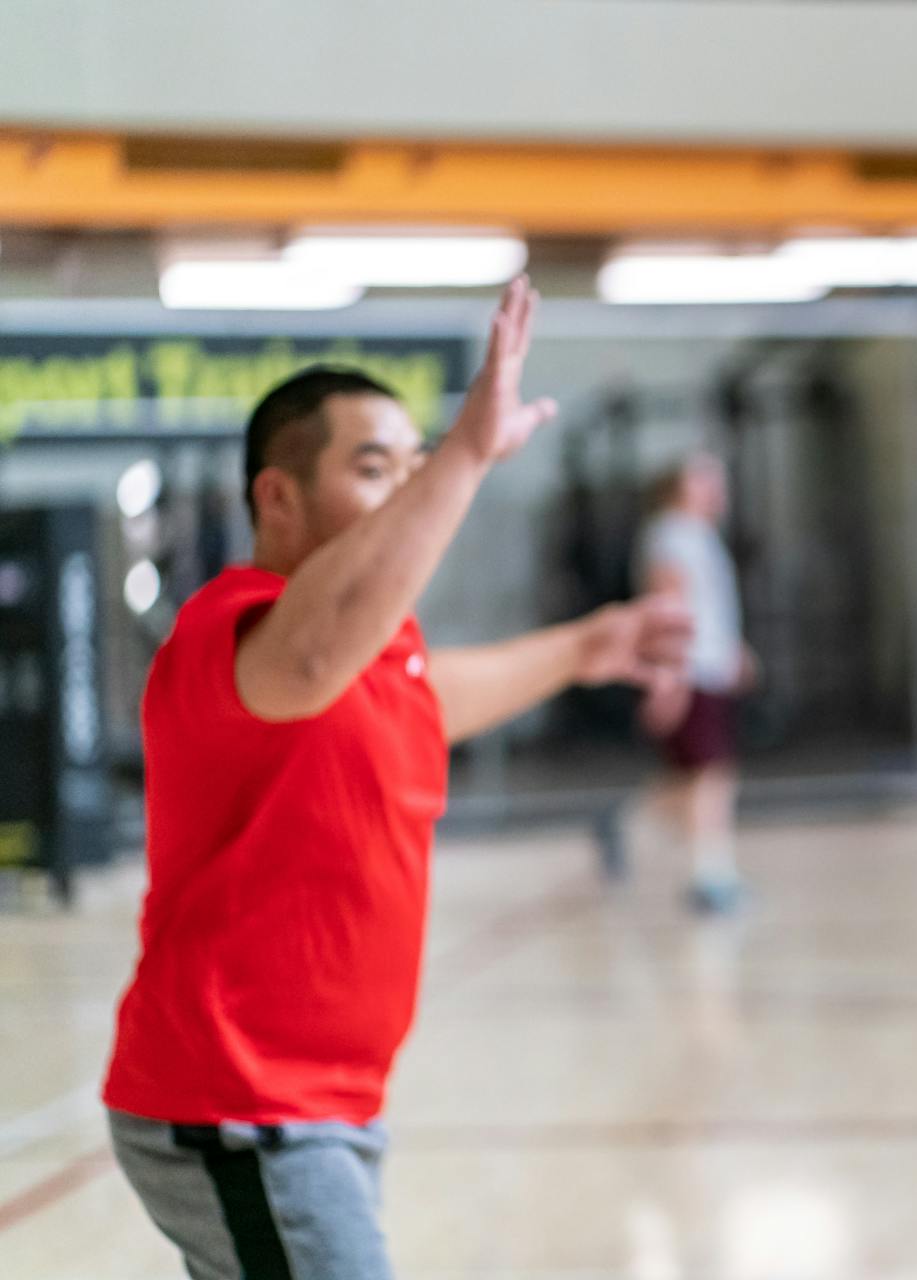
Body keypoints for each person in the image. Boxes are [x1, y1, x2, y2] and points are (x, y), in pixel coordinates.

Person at [103, 279, 693, 1280]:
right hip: (238, 1104)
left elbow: (436, 696)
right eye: (379, 469)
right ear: (277, 497)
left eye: (415, 465)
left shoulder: (375, 654)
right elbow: (314, 654)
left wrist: (582, 646)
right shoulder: (230, 630)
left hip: (321, 1106)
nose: (413, 489)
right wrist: (464, 451)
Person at [635, 449, 751, 913]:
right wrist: (670, 676)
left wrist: (735, 648)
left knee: (697, 776)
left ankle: (626, 827)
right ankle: (710, 874)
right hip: (693, 670)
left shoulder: (699, 534)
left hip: (712, 666)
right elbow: (670, 608)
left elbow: (710, 605)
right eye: (704, 480)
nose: (716, 488)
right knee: (709, 776)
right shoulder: (670, 536)